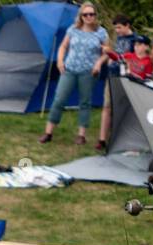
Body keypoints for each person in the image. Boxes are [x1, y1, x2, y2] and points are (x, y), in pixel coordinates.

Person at [38, 4, 108, 145]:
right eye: (85, 14)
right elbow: (63, 46)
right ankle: (48, 132)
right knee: (59, 99)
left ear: (95, 15)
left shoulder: (101, 32)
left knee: (85, 102)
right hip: (69, 70)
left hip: (89, 72)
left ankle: (81, 135)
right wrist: (59, 61)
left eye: (91, 14)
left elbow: (106, 53)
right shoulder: (73, 29)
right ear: (81, 16)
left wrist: (99, 63)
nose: (89, 17)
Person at [97, 32, 153, 149]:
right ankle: (117, 141)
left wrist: (136, 78)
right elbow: (116, 58)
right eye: (136, 44)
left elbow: (147, 79)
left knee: (134, 117)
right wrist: (108, 51)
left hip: (137, 91)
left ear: (147, 47)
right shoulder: (129, 56)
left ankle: (135, 144)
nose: (138, 47)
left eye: (141, 45)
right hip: (126, 89)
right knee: (121, 114)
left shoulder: (148, 62)